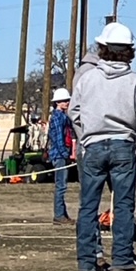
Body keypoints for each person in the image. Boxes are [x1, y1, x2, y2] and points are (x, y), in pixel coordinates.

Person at [68, 21, 136, 271]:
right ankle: (122, 261)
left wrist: (86, 135)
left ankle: (86, 262)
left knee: (88, 206)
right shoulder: (135, 82)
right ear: (129, 51)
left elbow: (74, 112)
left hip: (93, 146)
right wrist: (131, 134)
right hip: (123, 146)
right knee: (124, 205)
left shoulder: (87, 79)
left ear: (103, 48)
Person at [46, 87, 75, 223]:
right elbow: (58, 138)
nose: (67, 103)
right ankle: (59, 215)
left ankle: (62, 214)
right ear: (57, 102)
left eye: (67, 100)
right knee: (61, 186)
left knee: (62, 185)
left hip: (63, 154)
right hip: (59, 155)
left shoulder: (64, 116)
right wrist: (65, 154)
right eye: (64, 101)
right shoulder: (57, 117)